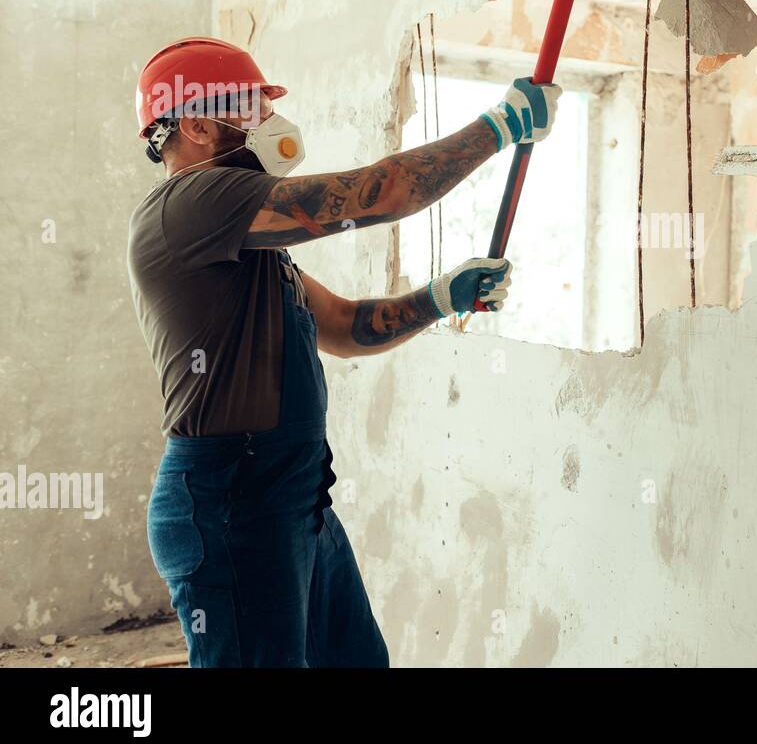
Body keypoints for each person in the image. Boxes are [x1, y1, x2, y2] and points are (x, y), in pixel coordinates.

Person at [126, 36, 560, 666]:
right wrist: (498, 128)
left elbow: (346, 325)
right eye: (250, 108)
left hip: (295, 499)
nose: (269, 124)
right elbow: (381, 193)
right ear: (196, 123)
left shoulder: (251, 252)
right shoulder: (191, 202)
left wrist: (442, 296)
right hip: (231, 505)